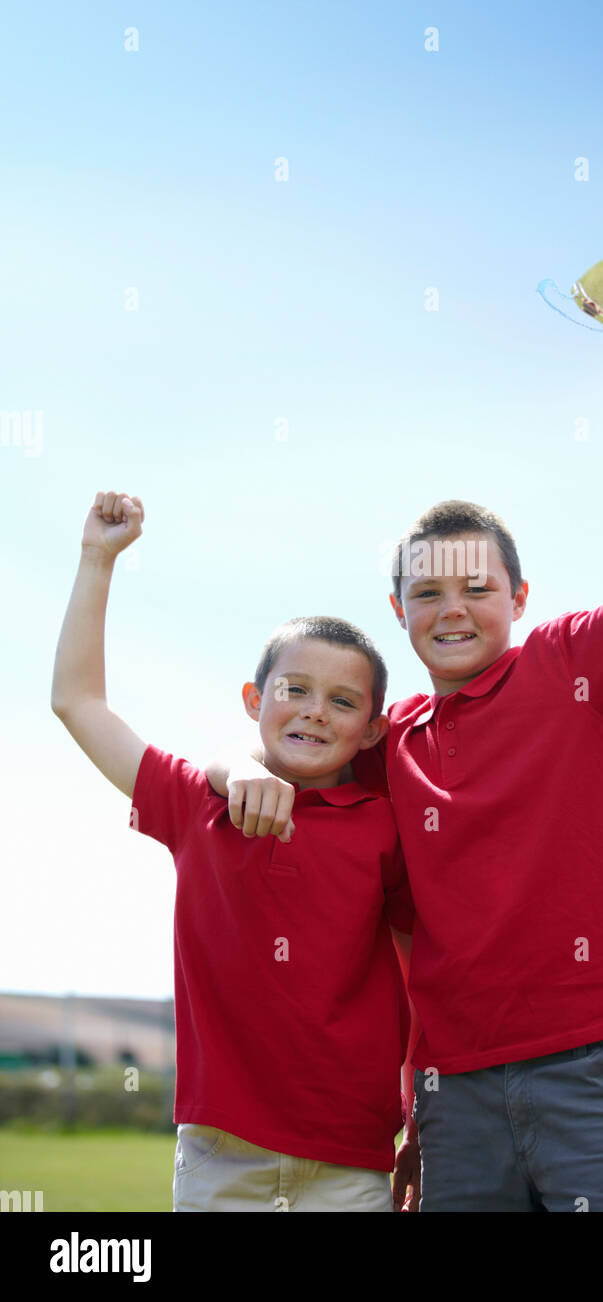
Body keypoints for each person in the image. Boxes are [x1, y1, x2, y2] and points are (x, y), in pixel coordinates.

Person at [208, 361, 603, 1211]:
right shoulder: (387, 746)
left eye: (478, 588)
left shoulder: (575, 661)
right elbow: (285, 751)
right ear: (399, 610)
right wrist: (239, 764)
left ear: (520, 597)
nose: (453, 609)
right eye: (427, 592)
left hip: (593, 1063)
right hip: (451, 1093)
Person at [51, 491, 416, 1213]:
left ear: (373, 730)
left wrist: (428, 1119)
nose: (315, 709)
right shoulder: (197, 805)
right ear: (254, 699)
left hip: (353, 1159)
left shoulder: (387, 830)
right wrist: (97, 559)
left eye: (343, 702)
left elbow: (424, 975)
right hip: (220, 1156)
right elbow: (78, 702)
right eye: (295, 689)